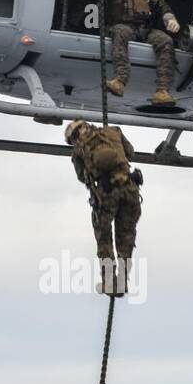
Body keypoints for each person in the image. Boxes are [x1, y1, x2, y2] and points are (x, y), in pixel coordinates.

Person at [64, 118, 142, 296]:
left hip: (107, 195)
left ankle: (109, 282)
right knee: (126, 238)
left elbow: (82, 177)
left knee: (104, 241)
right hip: (130, 189)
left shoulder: (78, 150)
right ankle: (123, 281)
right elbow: (130, 153)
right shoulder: (113, 131)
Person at [101, 0, 180, 107]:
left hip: (144, 29)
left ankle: (162, 91)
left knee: (165, 40)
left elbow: (160, 3)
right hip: (123, 26)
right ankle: (120, 81)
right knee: (120, 31)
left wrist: (169, 17)